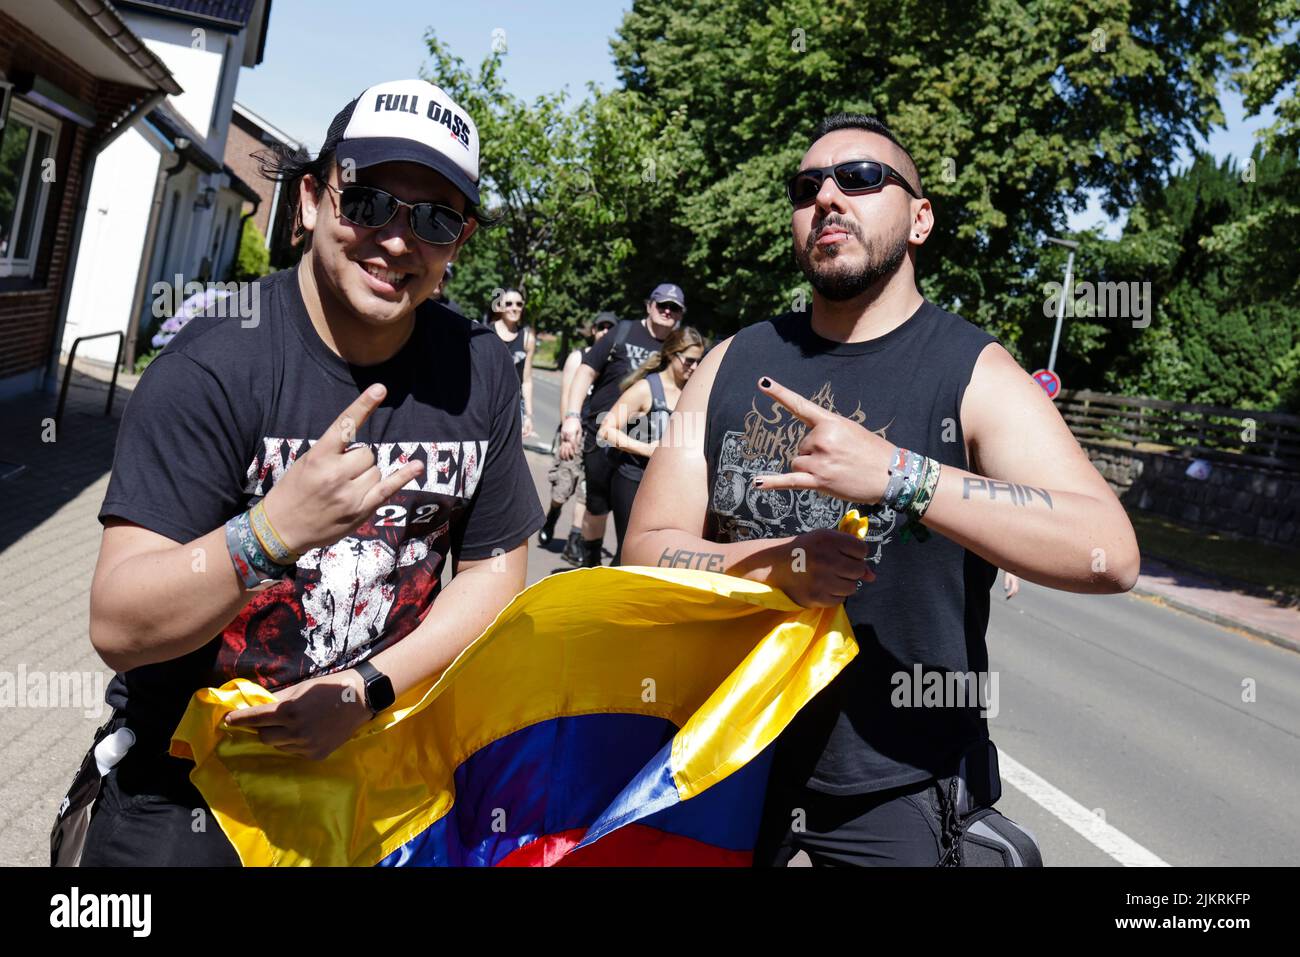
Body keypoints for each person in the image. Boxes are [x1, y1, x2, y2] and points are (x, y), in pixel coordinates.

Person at [623, 113, 1139, 866]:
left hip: (899, 784)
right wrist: (780, 562)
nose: (829, 196)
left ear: (920, 217)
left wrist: (904, 474)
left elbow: (1109, 551)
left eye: (861, 178)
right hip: (723, 754)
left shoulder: (975, 371)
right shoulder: (733, 360)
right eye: (808, 187)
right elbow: (643, 548)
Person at [66, 79, 544, 866]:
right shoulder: (215, 362)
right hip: (192, 783)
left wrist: (366, 690)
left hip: (380, 766)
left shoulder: (478, 369)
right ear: (314, 200)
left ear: (457, 243)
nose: (397, 241)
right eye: (371, 203)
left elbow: (496, 571)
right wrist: (269, 534)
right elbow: (119, 624)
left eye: (434, 218)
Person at [559, 284, 684, 567]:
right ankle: (590, 563)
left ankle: (622, 566)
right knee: (597, 505)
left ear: (680, 314)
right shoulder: (623, 331)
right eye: (662, 304)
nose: (667, 311)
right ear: (649, 305)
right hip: (603, 433)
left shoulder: (676, 347)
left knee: (636, 510)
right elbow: (586, 371)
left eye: (674, 308)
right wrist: (571, 416)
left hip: (643, 442)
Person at [598, 326, 705, 565]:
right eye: (689, 361)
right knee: (630, 553)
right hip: (633, 479)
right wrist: (646, 449)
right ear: (672, 355)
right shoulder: (646, 389)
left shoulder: (693, 390)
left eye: (699, 362)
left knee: (656, 555)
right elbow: (606, 429)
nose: (695, 368)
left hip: (670, 485)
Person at [540, 312, 616, 563]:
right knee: (563, 487)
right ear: (593, 330)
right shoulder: (578, 357)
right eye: (602, 327)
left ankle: (574, 541)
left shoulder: (613, 363)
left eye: (610, 328)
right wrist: (566, 434)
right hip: (574, 431)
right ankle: (552, 516)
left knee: (586, 489)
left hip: (596, 436)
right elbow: (567, 395)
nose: (606, 331)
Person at [488, 287, 536, 440]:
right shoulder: (487, 333)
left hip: (513, 405)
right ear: (500, 306)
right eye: (508, 304)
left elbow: (526, 380)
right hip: (487, 403)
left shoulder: (527, 338)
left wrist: (528, 415)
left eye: (518, 304)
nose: (514, 308)